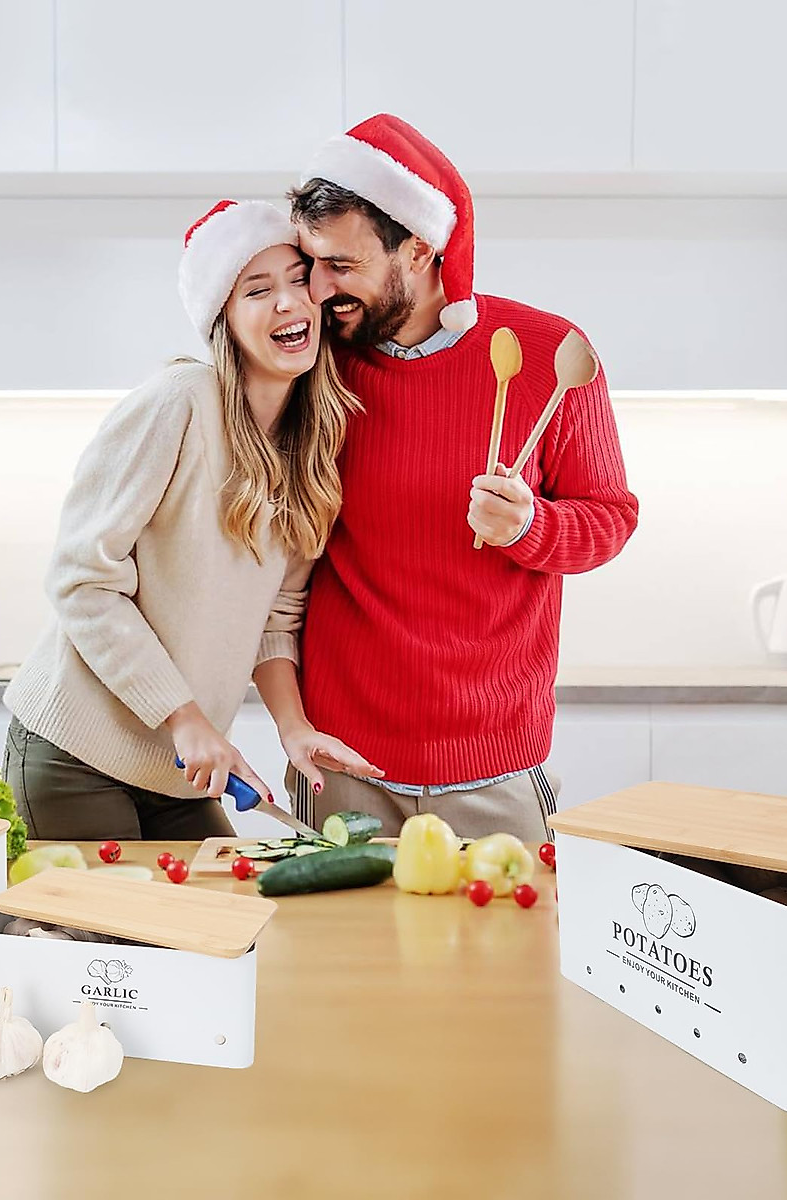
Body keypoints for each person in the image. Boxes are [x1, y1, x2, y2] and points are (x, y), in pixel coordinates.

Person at [284, 114, 640, 842]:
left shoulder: (548, 355)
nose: (317, 290)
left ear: (418, 249)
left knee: (510, 959)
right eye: (311, 262)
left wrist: (531, 527)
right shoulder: (318, 366)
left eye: (342, 266)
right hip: (343, 768)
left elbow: (611, 517)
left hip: (498, 772)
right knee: (329, 961)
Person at [3, 199, 380, 841]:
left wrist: (294, 728)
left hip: (178, 770)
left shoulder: (309, 447)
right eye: (258, 291)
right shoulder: (176, 405)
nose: (289, 303)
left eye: (298, 281)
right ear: (224, 321)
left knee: (217, 931)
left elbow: (276, 617)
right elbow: (81, 580)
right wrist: (185, 717)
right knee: (111, 942)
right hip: (74, 755)